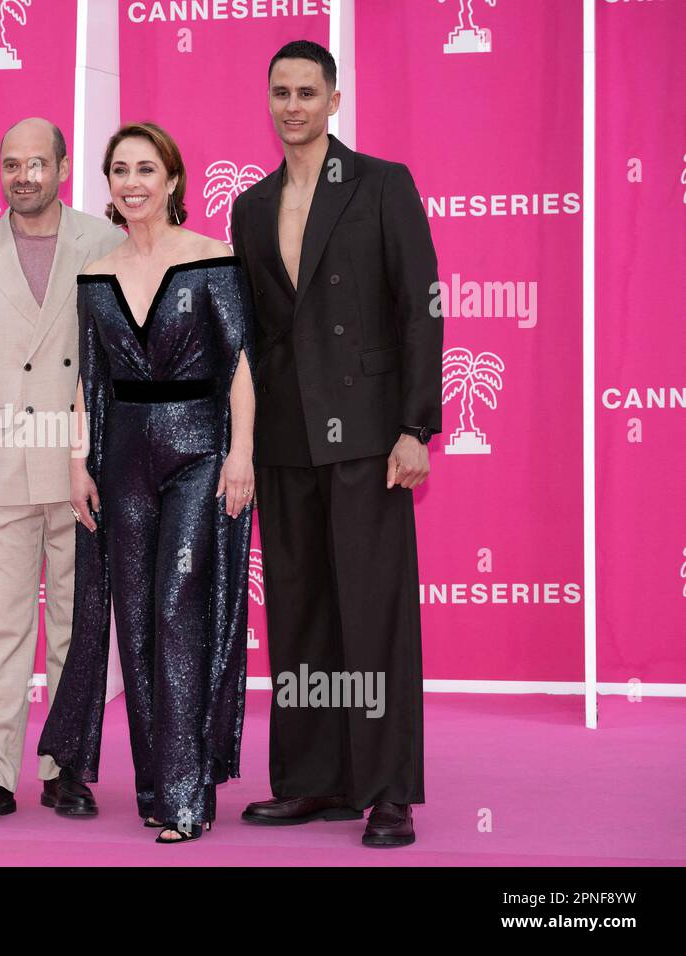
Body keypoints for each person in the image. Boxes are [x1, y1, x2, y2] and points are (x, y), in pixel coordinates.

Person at [230, 41, 441, 848]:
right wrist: (241, 443)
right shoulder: (250, 206)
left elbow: (420, 308)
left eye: (307, 92)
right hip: (285, 440)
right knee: (301, 615)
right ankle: (314, 782)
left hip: (367, 437)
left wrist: (416, 426)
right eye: (280, 91)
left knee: (375, 616)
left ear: (334, 99)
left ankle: (387, 790)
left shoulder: (383, 185)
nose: (292, 105)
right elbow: (247, 337)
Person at [37, 123, 256, 844]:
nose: (132, 182)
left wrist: (241, 454)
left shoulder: (214, 258)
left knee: (174, 609)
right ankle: (159, 786)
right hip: (121, 459)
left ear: (172, 179)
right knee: (133, 626)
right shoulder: (95, 272)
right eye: (119, 170)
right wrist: (76, 462)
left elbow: (240, 368)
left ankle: (189, 795)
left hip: (199, 452)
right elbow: (86, 382)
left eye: (146, 169)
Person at [0, 118, 125, 828]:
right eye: (11, 163)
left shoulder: (103, 244)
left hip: (80, 467)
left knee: (78, 625)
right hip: (2, 463)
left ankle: (66, 764)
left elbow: (117, 363)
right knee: (6, 628)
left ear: (63, 167)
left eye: (36, 163)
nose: (23, 176)